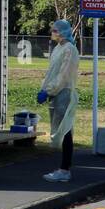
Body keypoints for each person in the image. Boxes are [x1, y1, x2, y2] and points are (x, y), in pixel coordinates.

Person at [38, 19, 80, 182]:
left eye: (55, 30)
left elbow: (63, 75)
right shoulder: (58, 48)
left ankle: (65, 169)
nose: (53, 33)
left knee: (65, 129)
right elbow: (52, 72)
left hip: (64, 92)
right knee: (60, 130)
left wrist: (49, 90)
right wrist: (45, 88)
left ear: (62, 32)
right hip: (55, 93)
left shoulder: (70, 49)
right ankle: (63, 168)